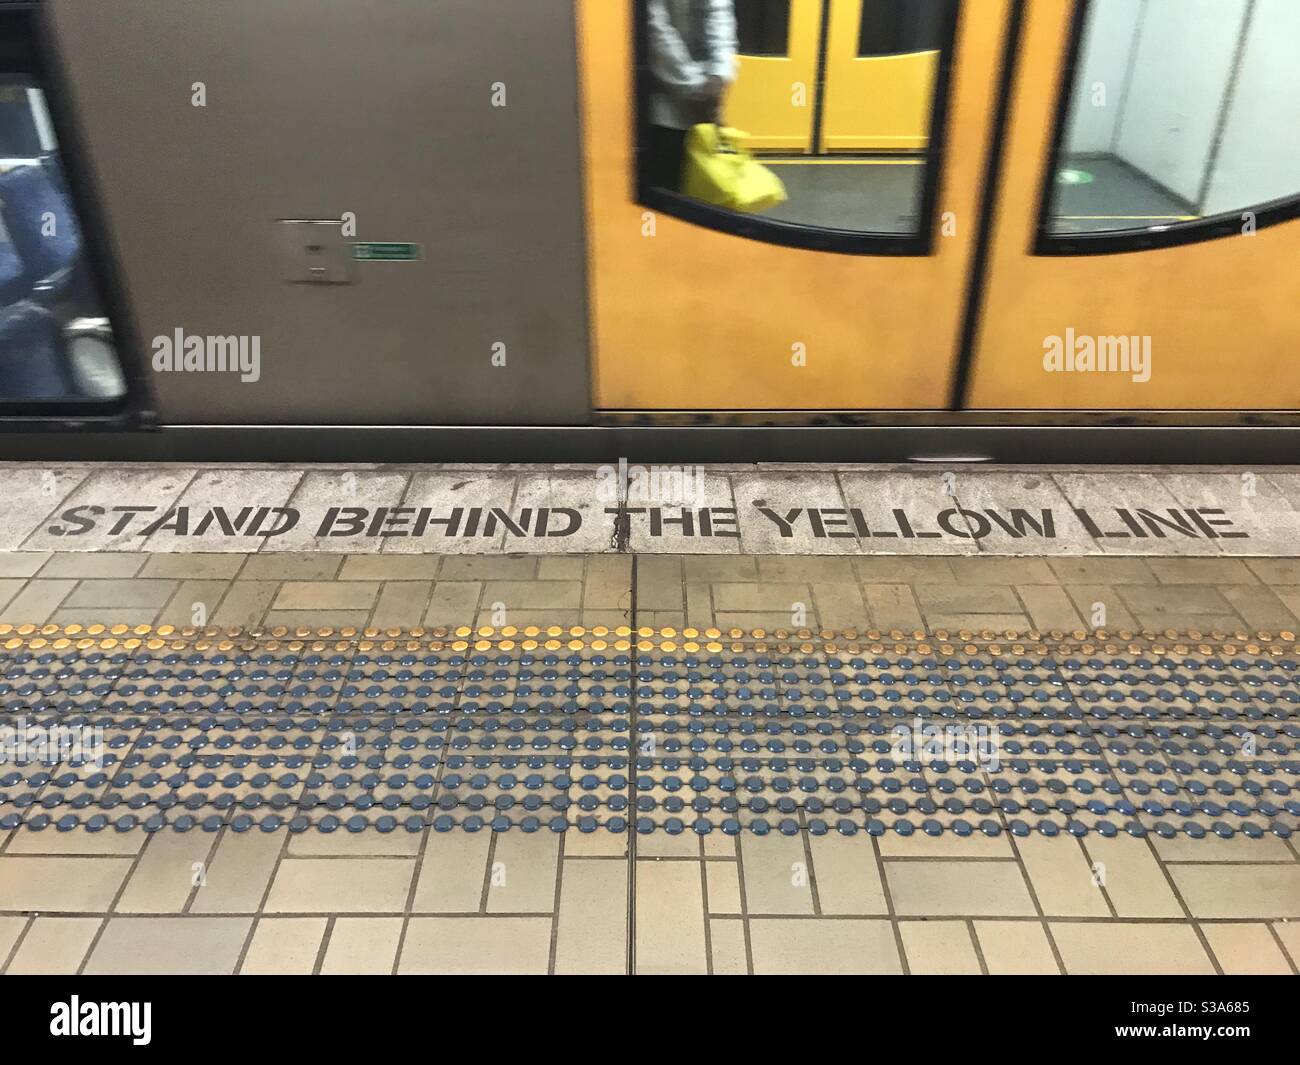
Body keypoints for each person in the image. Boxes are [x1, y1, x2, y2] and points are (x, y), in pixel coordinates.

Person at [645, 0, 738, 192]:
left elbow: (719, 15)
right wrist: (696, 87)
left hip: (705, 95)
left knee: (701, 188)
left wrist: (718, 76)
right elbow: (655, 28)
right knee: (665, 185)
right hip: (660, 100)